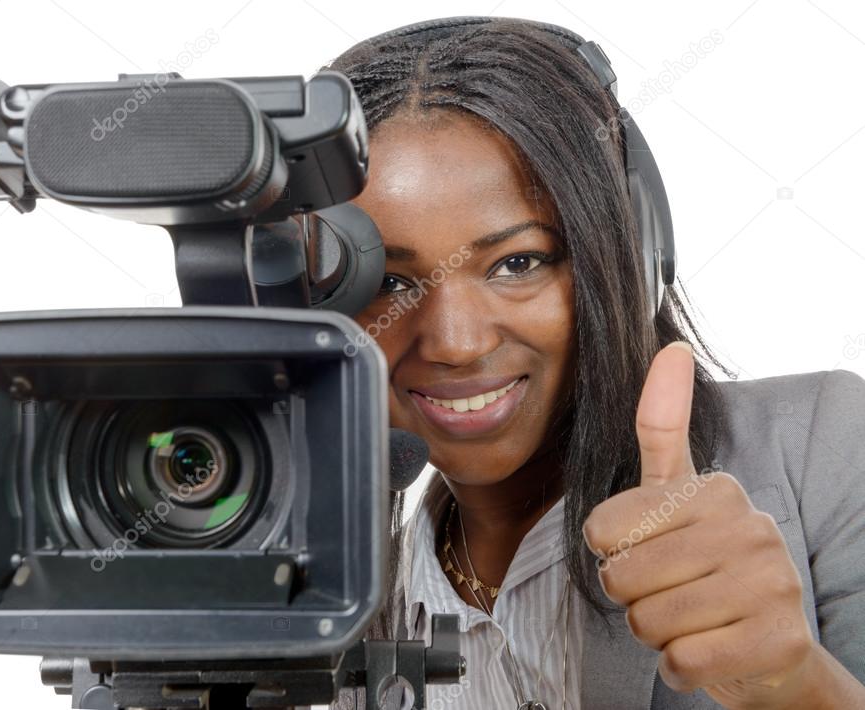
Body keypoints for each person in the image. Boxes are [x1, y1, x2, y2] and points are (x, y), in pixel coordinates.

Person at [323, 17, 865, 710]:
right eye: (387, 285)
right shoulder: (351, 609)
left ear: (630, 256)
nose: (455, 343)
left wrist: (794, 687)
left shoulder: (822, 449)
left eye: (517, 263)